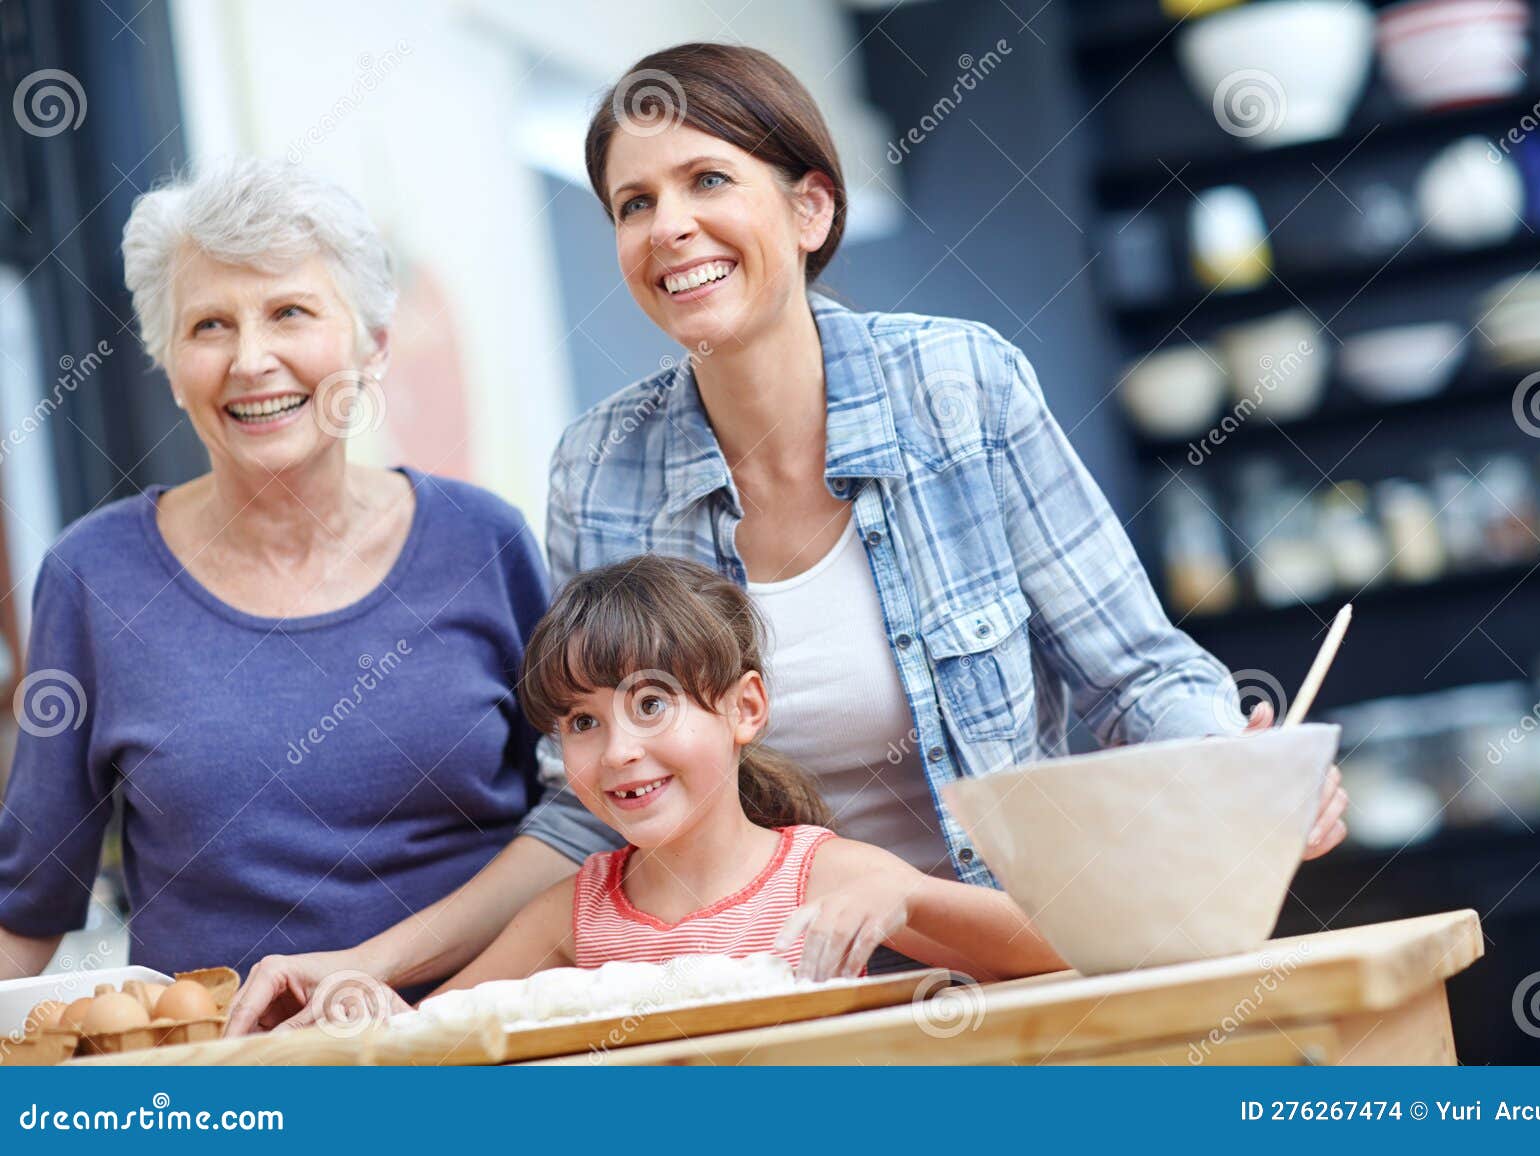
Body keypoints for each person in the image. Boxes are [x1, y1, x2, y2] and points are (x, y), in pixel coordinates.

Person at [227, 43, 1346, 1032]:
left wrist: (1234, 783)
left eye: (707, 180)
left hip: (1024, 960)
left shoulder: (957, 388)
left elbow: (1130, 672)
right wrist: (371, 966)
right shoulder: (600, 467)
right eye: (632, 202)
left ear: (808, 209)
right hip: (773, 1003)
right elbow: (586, 805)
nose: (669, 227)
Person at [0, 159, 549, 998]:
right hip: (230, 1092)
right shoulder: (93, 576)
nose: (252, 360)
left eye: (290, 312)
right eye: (209, 326)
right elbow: (28, 903)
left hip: (492, 1051)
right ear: (167, 360)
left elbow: (583, 817)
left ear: (374, 344)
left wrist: (380, 974)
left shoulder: (483, 543)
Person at [414, 554, 1063, 1002]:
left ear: (744, 709)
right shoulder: (574, 913)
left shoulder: (822, 879)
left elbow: (1061, 952)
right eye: (583, 722)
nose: (617, 751)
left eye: (650, 705)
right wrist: (366, 1005)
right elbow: (428, 1038)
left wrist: (915, 900)